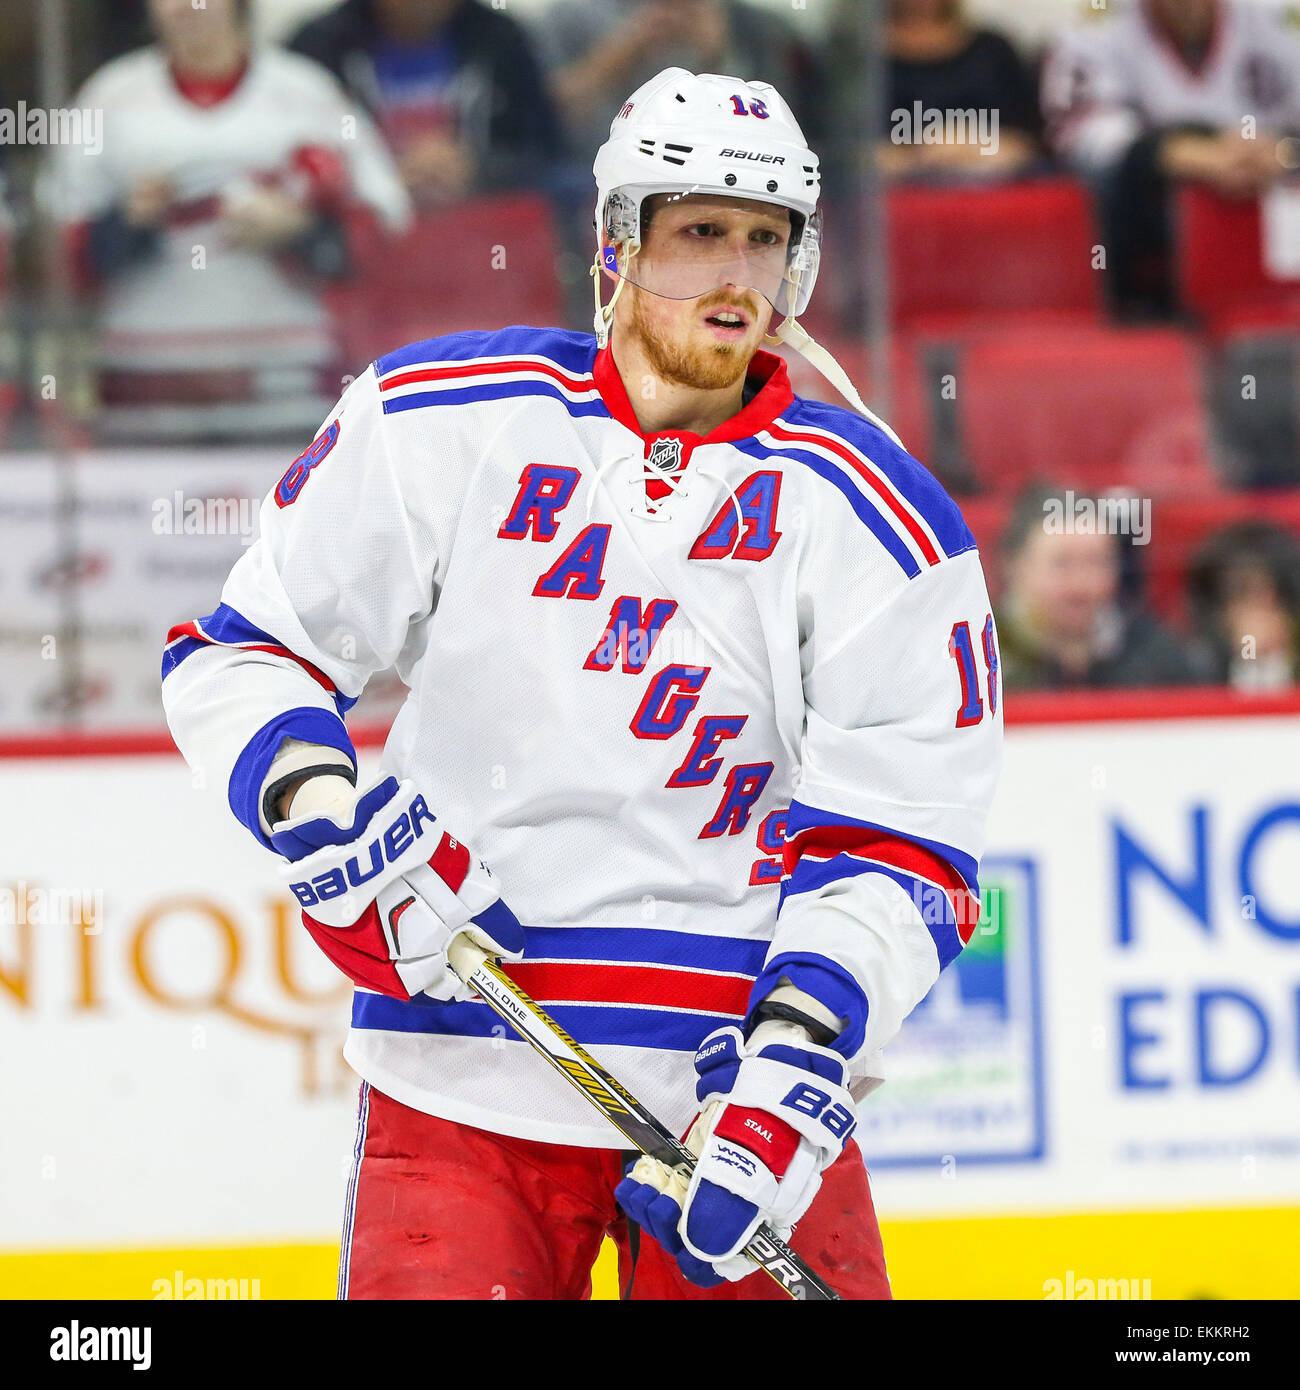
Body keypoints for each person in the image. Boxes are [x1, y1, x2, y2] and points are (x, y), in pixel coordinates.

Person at [162, 68, 1002, 1300]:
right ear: (616, 245)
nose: (735, 274)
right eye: (700, 230)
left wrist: (796, 1064)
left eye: (763, 239)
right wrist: (318, 813)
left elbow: (904, 836)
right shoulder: (440, 420)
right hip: (459, 1078)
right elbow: (249, 646)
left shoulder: (881, 517)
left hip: (740, 1109)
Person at [43, 0, 410, 443]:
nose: (188, 8)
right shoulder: (109, 98)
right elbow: (54, 255)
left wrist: (300, 230)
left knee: (283, 510)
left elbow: (387, 231)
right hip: (145, 388)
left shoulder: (307, 92)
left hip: (287, 385)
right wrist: (128, 225)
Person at [1041, 0, 1300, 317]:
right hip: (1145, 240)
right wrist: (1183, 155)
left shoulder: (1275, 20)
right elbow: (1078, 137)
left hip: (1268, 236)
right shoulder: (1097, 30)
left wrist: (1282, 151)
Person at [289, 0, 562, 206]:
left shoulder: (502, 41)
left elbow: (547, 149)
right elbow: (288, 166)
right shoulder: (317, 50)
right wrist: (380, 177)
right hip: (360, 253)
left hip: (485, 240)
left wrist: (479, 168)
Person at [995, 486, 1206, 691]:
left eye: (1096, 562)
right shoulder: (982, 657)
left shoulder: (1157, 656)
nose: (1080, 585)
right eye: (1061, 563)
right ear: (1014, 565)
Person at [873, 0, 1041, 182]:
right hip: (888, 199)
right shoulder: (856, 58)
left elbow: (1029, 144)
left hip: (986, 197)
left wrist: (970, 147)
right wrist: (910, 156)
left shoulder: (993, 52)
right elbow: (846, 150)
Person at [1188, 519, 1300, 690]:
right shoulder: (1189, 668)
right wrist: (1249, 657)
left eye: (1274, 599)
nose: (1261, 616)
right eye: (1245, 595)